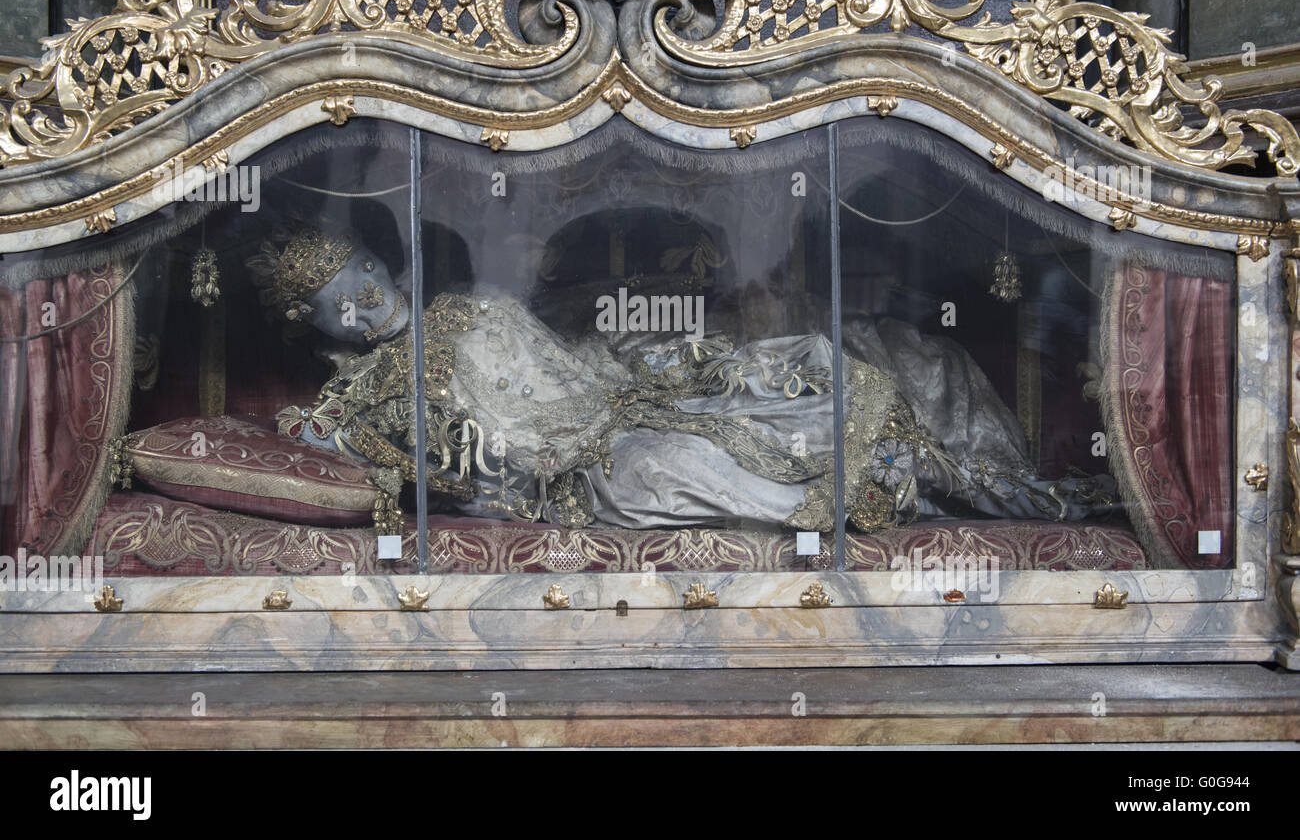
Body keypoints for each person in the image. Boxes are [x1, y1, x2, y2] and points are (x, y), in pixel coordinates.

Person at [247, 224, 1115, 532]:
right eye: (336, 312)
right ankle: (909, 491)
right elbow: (440, 476)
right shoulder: (354, 400)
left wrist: (668, 363)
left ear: (379, 257)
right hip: (579, 481)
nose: (362, 308)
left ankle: (1007, 492)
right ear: (319, 330)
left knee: (780, 384)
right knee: (683, 460)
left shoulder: (469, 309)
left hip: (616, 403)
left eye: (360, 280)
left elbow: (569, 364)